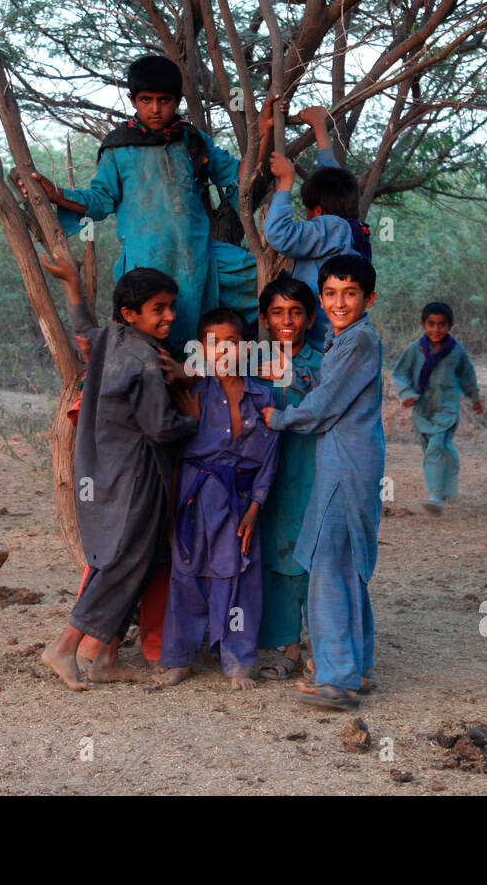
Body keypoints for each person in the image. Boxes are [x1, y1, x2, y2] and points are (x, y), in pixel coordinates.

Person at [38, 253, 199, 690]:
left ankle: (105, 657)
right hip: (138, 476)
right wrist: (195, 415)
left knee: (145, 560)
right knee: (123, 561)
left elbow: (82, 333)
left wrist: (73, 285)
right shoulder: (147, 360)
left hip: (106, 470)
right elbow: (161, 428)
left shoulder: (111, 337)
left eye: (171, 306)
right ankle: (65, 646)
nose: (170, 317)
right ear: (131, 314)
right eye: (158, 309)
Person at [20, 55, 244, 353]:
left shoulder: (192, 140)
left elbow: (236, 176)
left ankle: (235, 382)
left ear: (177, 100)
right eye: (146, 99)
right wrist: (58, 195)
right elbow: (100, 201)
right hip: (144, 263)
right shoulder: (119, 147)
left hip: (195, 257)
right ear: (132, 100)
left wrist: (265, 134)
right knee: (144, 344)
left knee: (231, 294)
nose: (155, 108)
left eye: (164, 100)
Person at [260, 255, 384, 711]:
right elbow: (329, 385)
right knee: (346, 562)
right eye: (330, 293)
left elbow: (323, 406)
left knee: (328, 565)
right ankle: (360, 666)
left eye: (349, 293)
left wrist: (280, 417)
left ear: (368, 298)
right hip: (353, 461)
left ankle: (335, 680)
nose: (339, 302)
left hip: (344, 463)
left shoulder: (356, 341)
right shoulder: (345, 340)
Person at [157, 309, 279, 691]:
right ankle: (180, 657)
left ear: (246, 347)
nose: (222, 350)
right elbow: (177, 455)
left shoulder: (263, 396)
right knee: (186, 573)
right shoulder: (192, 393)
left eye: (231, 342)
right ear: (201, 349)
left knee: (242, 575)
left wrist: (256, 508)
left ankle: (238, 662)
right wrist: (171, 512)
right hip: (196, 496)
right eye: (213, 343)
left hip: (241, 499)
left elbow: (271, 457)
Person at [252, 276, 322, 680]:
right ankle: (290, 649)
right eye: (277, 312)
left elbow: (327, 406)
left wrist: (294, 376)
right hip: (267, 480)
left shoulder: (323, 362)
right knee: (276, 560)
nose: (287, 320)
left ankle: (321, 649)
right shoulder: (251, 362)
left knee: (314, 559)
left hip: (310, 471)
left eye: (296, 312)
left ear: (311, 319)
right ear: (264, 319)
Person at [262, 103, 372, 352]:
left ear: (318, 212)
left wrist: (286, 182)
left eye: (309, 212)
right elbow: (332, 174)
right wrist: (319, 126)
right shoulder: (350, 229)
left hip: (318, 338)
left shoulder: (328, 227)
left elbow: (279, 234)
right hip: (336, 334)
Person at [391, 302, 483, 514]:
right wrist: (406, 394)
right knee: (431, 448)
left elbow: (467, 374)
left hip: (447, 407)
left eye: (442, 325)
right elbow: (399, 373)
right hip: (422, 407)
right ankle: (447, 486)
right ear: (423, 325)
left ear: (450, 326)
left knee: (436, 446)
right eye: (431, 324)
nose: (436, 329)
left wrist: (475, 397)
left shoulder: (457, 350)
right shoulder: (415, 350)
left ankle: (435, 496)